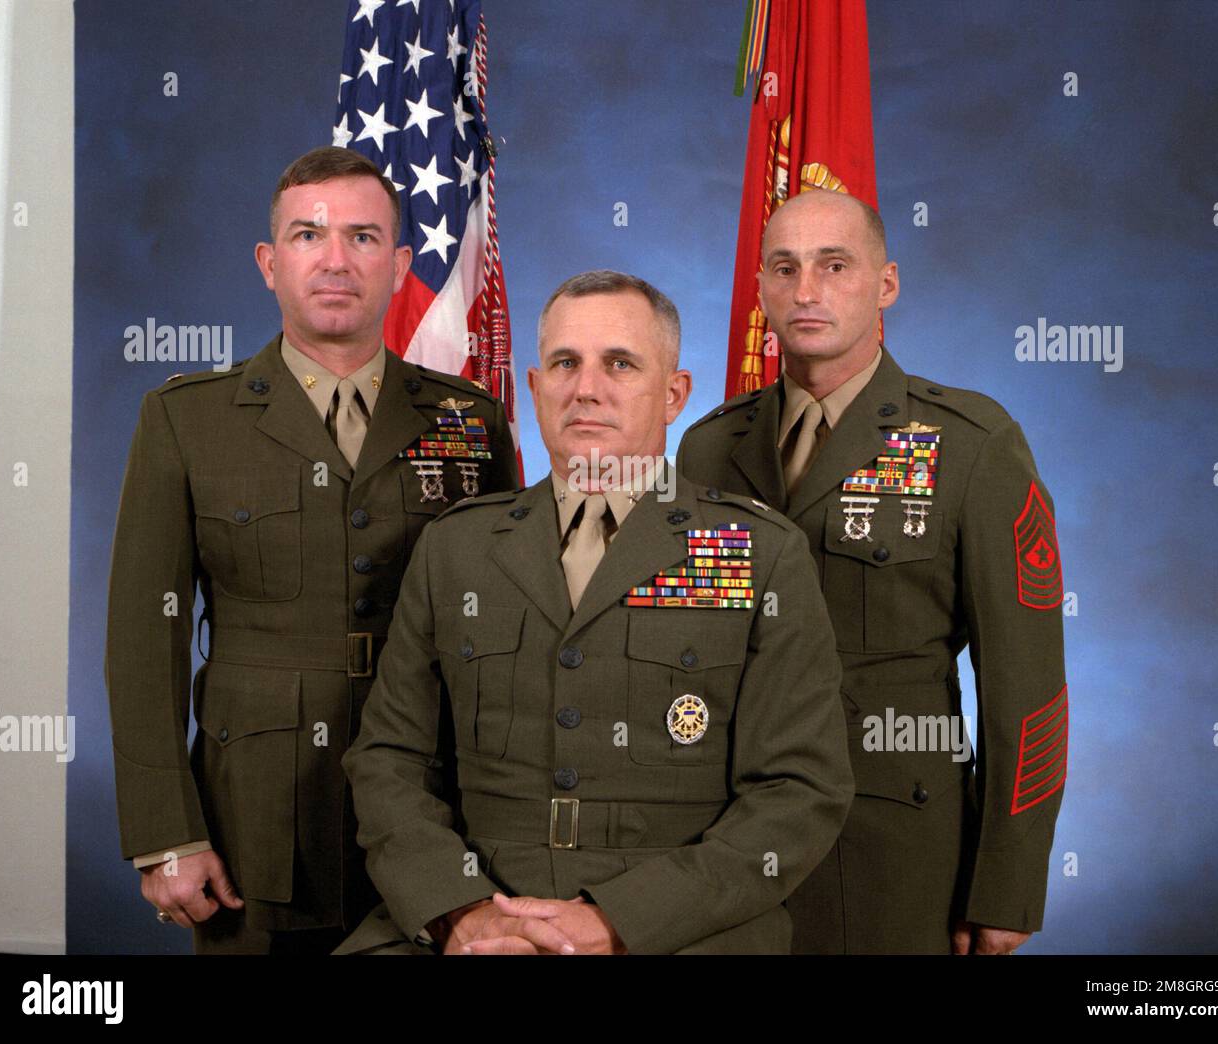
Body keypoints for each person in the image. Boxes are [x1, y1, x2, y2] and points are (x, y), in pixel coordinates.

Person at [336, 270, 853, 954]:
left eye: (619, 363)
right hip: (480, 914)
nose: (586, 388)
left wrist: (615, 921)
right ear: (533, 386)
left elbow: (799, 792)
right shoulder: (453, 547)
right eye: (564, 363)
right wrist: (462, 912)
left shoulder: (759, 553)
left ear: (674, 395)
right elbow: (389, 759)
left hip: (677, 929)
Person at [105, 146, 519, 954]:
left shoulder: (470, 421)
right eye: (308, 235)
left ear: (400, 264)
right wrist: (164, 834)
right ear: (270, 262)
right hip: (253, 819)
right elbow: (142, 640)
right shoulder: (187, 420)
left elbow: (509, 627)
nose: (336, 260)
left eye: (363, 238)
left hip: (438, 808)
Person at [677, 190, 1068, 955]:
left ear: (885, 283)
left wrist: (1006, 886)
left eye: (835, 265)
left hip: (896, 850)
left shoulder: (970, 445)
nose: (808, 291)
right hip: (723, 843)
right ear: (759, 288)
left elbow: (1028, 692)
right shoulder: (707, 449)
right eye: (784, 269)